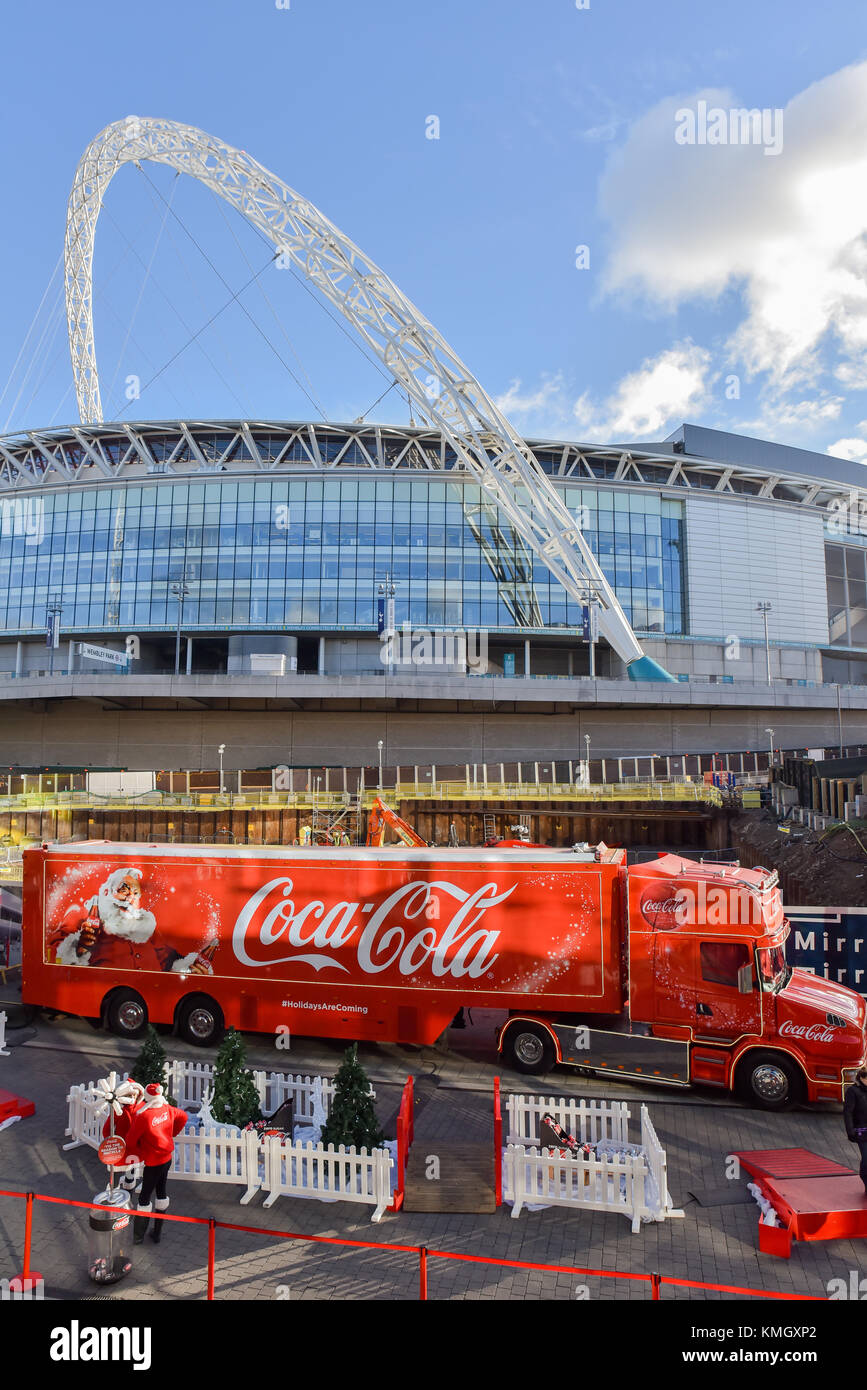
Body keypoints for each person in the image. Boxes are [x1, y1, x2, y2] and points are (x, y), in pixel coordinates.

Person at [48, 867, 215, 975]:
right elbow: (53, 952)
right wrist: (78, 947)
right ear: (107, 892)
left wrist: (188, 968)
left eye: (135, 893)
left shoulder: (145, 927)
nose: (130, 898)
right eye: (123, 890)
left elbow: (168, 960)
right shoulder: (85, 915)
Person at [125, 1083, 188, 1243]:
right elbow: (183, 1116)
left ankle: (138, 1236)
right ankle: (157, 1233)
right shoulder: (167, 1109)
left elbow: (130, 1141)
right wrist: (172, 1132)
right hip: (167, 1159)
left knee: (145, 1197)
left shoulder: (144, 1116)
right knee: (161, 1193)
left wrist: (141, 1147)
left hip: (153, 1162)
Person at [843, 1065, 867, 1196]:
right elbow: (848, 1112)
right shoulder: (853, 1091)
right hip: (861, 1132)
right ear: (862, 1078)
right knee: (866, 1158)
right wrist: (850, 1131)